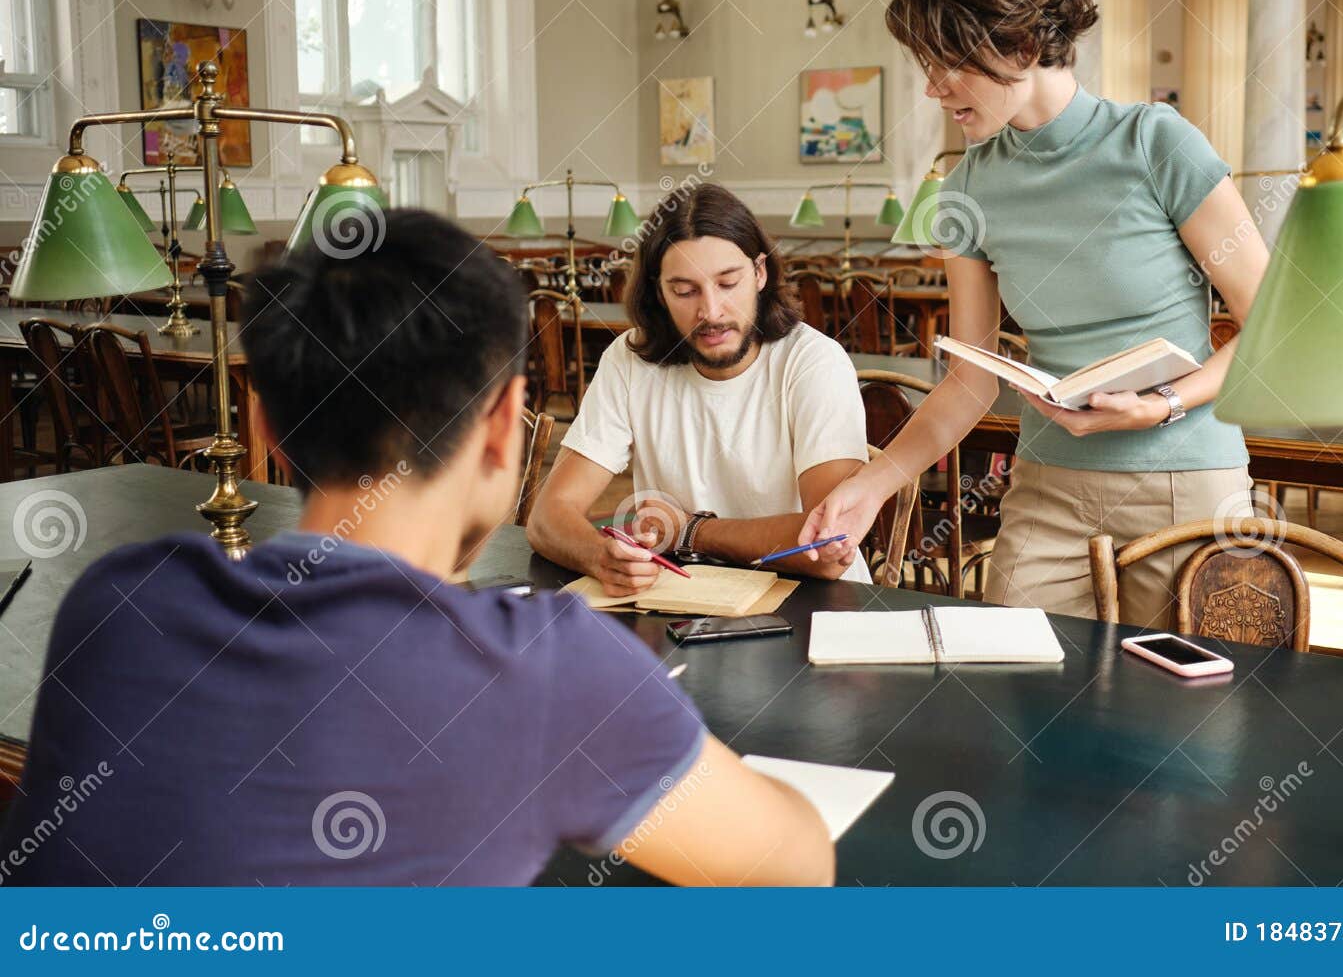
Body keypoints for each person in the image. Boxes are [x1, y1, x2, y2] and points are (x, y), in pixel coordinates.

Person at [0, 210, 832, 887]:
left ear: (264, 426)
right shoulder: (555, 673)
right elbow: (796, 868)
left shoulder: (116, 602)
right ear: (505, 427)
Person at [802, 0, 1271, 629]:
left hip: (1184, 481)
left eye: (947, 63)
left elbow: (1272, 323)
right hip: (1046, 490)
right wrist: (872, 487)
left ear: (1021, 45)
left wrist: (1163, 404)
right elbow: (970, 381)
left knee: (1174, 695)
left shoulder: (1156, 144)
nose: (932, 89)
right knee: (1012, 682)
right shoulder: (965, 189)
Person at [528, 183, 867, 594]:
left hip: (814, 605)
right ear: (659, 292)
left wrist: (690, 532)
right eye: (684, 291)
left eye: (728, 283)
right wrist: (599, 556)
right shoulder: (630, 359)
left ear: (760, 273)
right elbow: (547, 517)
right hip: (686, 601)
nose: (710, 311)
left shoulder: (814, 362)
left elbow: (828, 548)